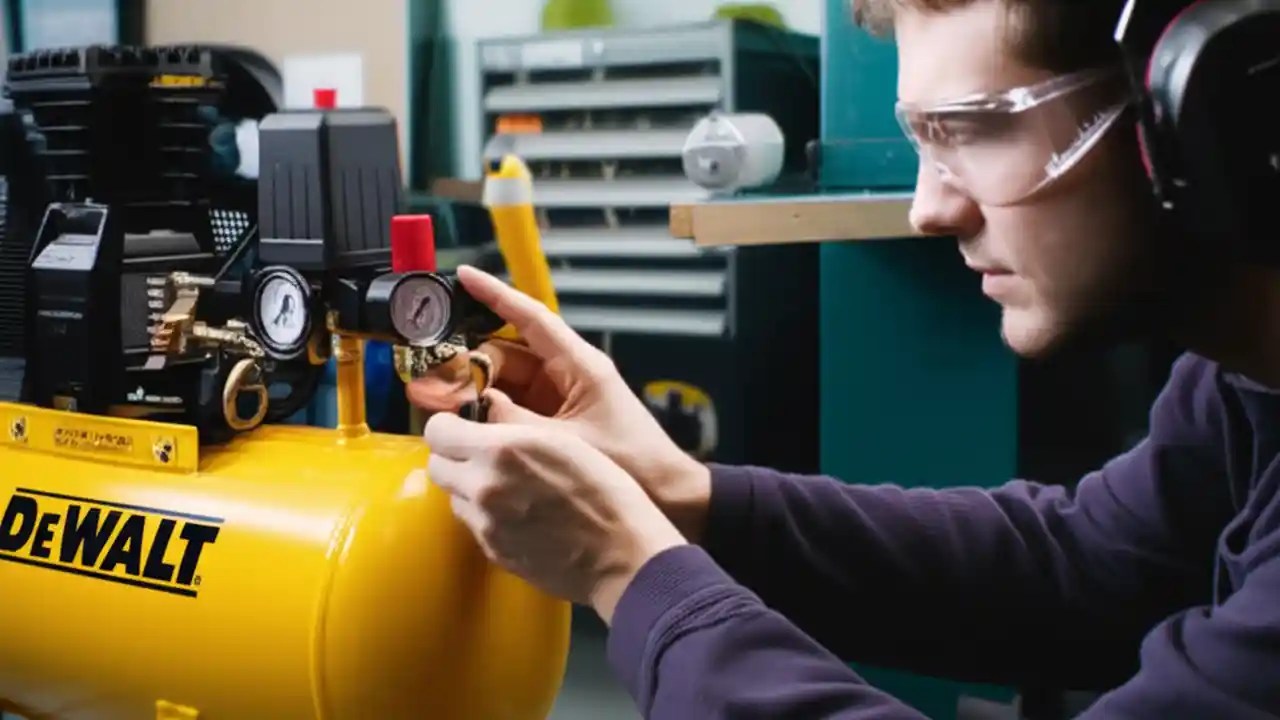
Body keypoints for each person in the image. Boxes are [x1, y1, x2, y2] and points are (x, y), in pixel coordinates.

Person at [410, 0, 1280, 717]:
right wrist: (678, 493)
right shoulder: (1245, 373)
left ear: (1212, 105)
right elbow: (1087, 563)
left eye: (971, 130)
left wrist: (629, 572)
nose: (929, 210)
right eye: (922, 140)